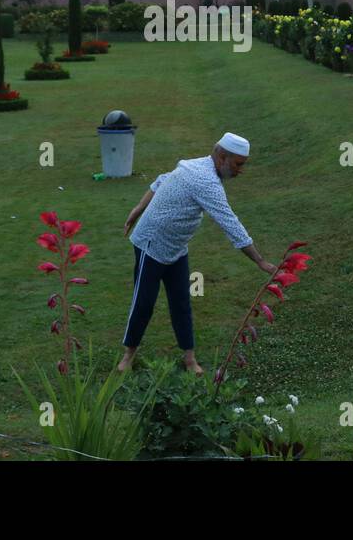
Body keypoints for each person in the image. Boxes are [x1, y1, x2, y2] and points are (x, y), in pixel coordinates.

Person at [117, 132, 275, 375]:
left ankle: (189, 359)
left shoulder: (197, 165)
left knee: (181, 302)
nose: (240, 170)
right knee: (144, 302)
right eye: (238, 164)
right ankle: (128, 356)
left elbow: (160, 180)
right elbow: (230, 223)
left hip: (176, 248)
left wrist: (137, 209)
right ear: (221, 156)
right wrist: (260, 261)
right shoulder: (204, 180)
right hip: (150, 242)